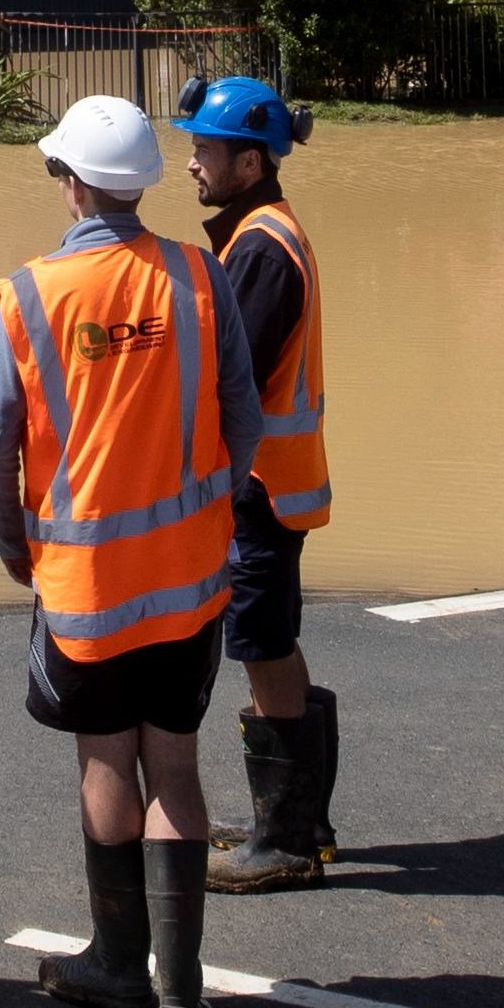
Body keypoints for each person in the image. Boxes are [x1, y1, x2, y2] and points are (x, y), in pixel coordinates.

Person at [0, 92, 266, 1008]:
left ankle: (115, 965)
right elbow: (243, 406)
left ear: (70, 182)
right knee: (174, 767)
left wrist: (20, 550)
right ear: (140, 181)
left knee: (108, 760)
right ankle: (183, 1005)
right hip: (189, 576)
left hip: (85, 587)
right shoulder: (195, 272)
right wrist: (216, 505)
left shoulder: (27, 296)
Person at [177, 73, 340, 888]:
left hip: (262, 485)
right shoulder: (260, 233)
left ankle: (286, 844)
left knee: (263, 642)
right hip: (278, 478)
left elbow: (230, 376)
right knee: (271, 639)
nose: (193, 164)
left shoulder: (264, 248)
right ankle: (297, 817)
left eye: (204, 150)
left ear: (249, 163)